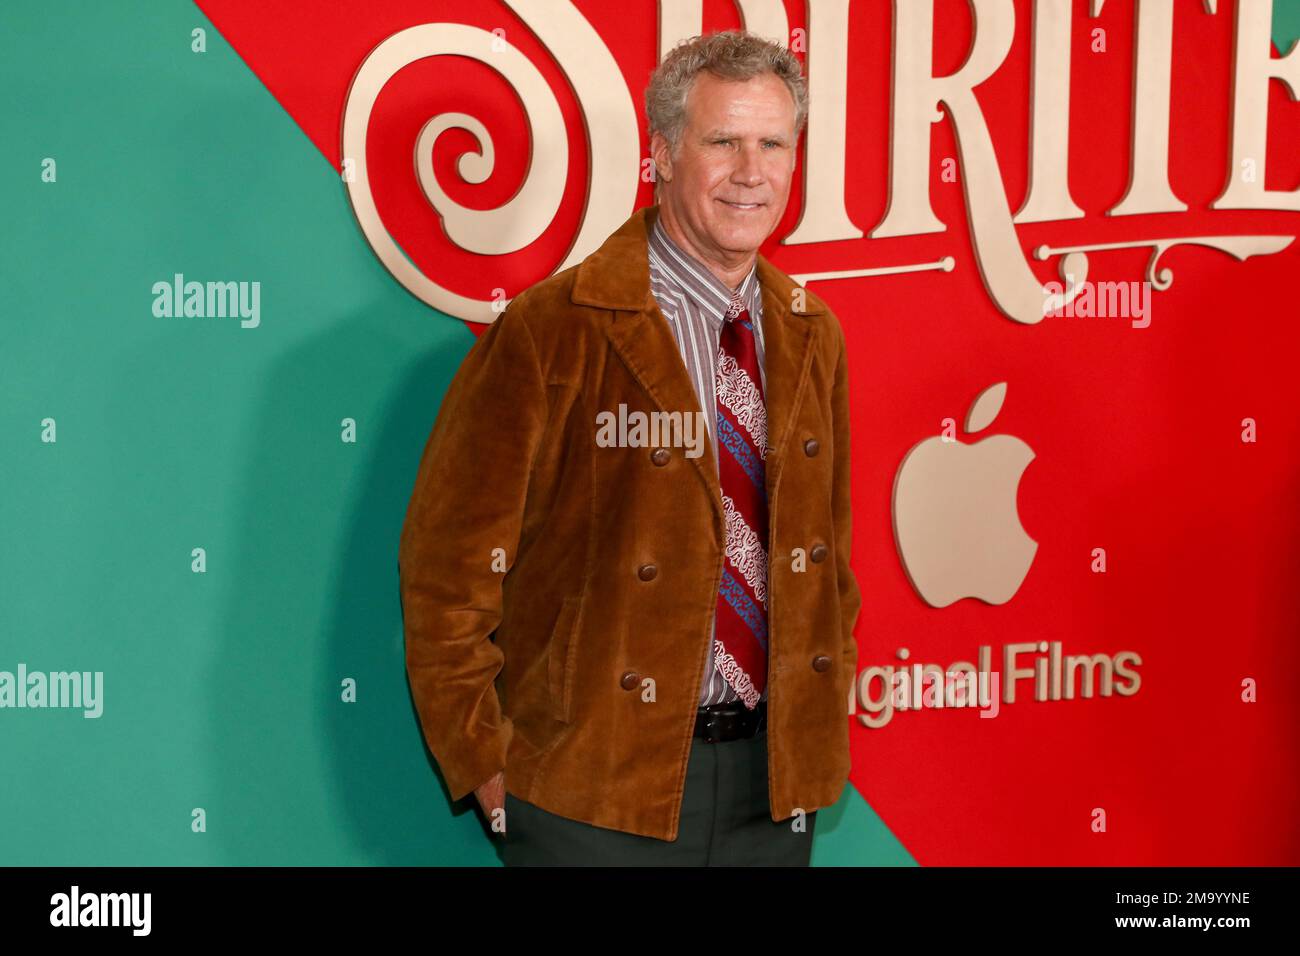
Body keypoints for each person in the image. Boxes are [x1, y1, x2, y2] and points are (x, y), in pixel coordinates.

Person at [399, 29, 861, 866]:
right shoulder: (554, 330)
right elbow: (449, 570)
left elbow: (828, 562)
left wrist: (814, 724)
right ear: (662, 155)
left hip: (773, 788)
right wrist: (484, 763)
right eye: (722, 142)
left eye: (773, 144)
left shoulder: (810, 333)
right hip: (593, 792)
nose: (751, 172)